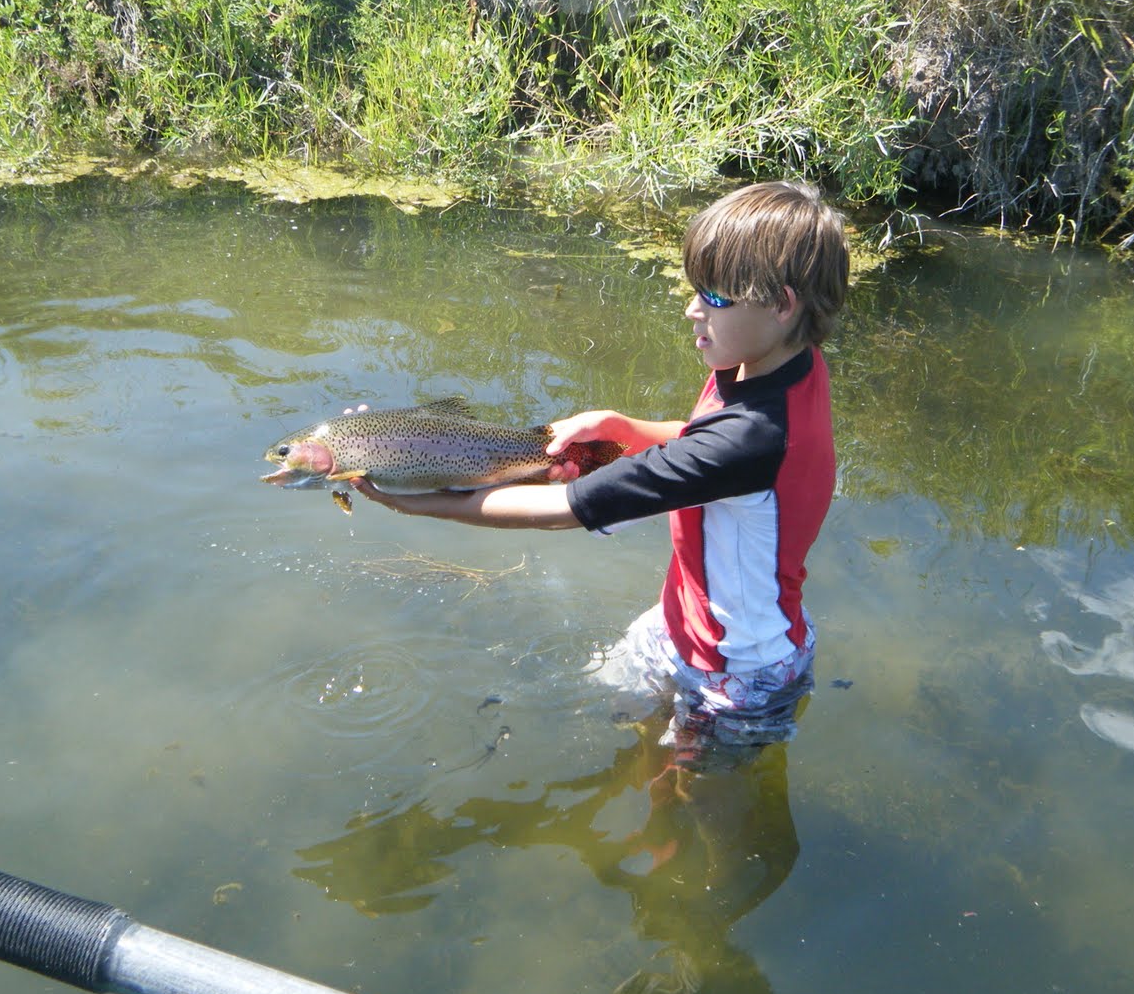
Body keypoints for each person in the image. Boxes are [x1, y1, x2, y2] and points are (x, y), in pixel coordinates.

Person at [350, 180, 848, 753]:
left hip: (739, 672)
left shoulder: (752, 440)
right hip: (680, 621)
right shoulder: (777, 363)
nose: (691, 309)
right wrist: (623, 429)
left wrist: (417, 502)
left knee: (690, 810)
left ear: (782, 305)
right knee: (610, 720)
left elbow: (565, 509)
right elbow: (703, 441)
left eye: (713, 297)